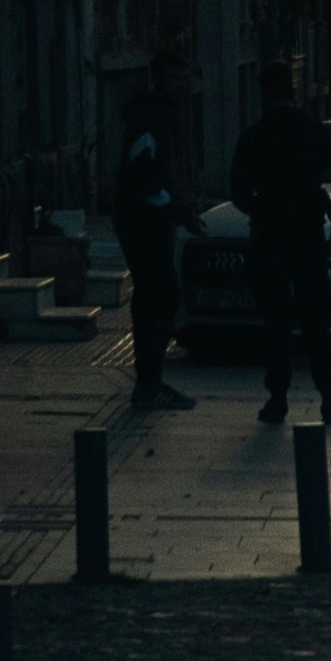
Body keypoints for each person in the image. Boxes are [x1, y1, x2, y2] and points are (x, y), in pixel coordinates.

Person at [228, 60, 331, 428]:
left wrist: (264, 210)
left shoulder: (255, 137)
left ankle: (277, 399)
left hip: (269, 238)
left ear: (263, 94)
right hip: (307, 236)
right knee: (316, 321)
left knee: (275, 321)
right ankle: (330, 399)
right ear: (292, 91)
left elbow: (238, 190)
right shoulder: (313, 132)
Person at [113, 48, 205, 416]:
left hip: (149, 218)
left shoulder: (161, 115)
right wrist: (177, 210)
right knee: (160, 296)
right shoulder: (149, 118)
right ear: (159, 79)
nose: (180, 86)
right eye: (174, 79)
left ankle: (150, 381)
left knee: (156, 296)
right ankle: (148, 382)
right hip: (141, 220)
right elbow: (143, 175)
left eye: (184, 79)